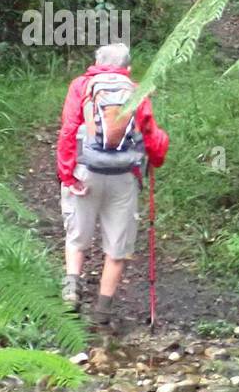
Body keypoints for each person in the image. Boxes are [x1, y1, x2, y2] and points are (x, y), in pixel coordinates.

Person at [57, 43, 169, 330]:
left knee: (77, 237)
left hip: (86, 172)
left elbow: (69, 129)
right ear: (128, 68)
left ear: (95, 62)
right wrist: (157, 154)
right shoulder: (135, 89)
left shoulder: (82, 85)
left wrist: (67, 175)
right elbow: (150, 133)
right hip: (124, 176)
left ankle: (71, 292)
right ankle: (102, 312)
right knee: (117, 248)